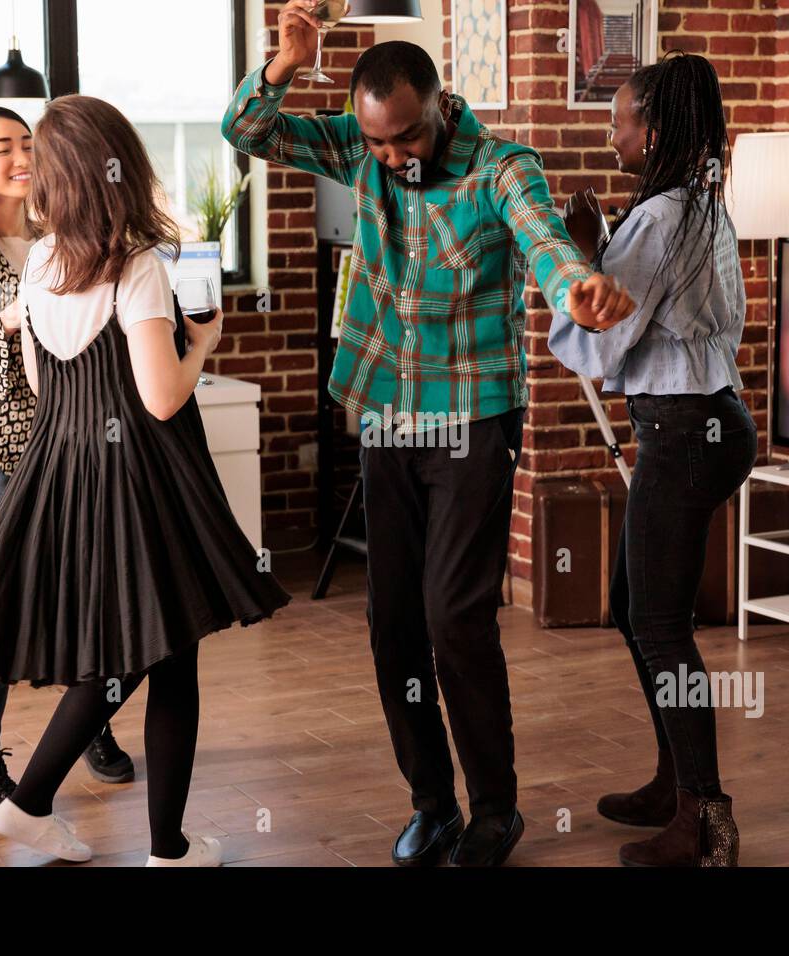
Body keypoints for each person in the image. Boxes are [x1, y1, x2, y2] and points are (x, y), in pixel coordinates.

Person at [223, 3, 634, 867]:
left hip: (473, 419)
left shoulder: (499, 169)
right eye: (378, 143)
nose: (391, 157)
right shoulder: (350, 146)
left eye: (405, 138)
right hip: (386, 414)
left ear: (439, 106)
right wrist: (285, 63)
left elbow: (546, 241)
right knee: (390, 620)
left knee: (455, 617)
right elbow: (246, 129)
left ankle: (495, 810)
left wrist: (578, 289)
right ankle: (432, 803)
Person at [0, 94, 291, 865]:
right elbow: (161, 396)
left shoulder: (41, 268)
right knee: (165, 655)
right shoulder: (135, 267)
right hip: (141, 484)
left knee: (126, 658)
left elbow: (36, 379)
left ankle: (70, 818)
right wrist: (206, 344)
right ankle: (147, 843)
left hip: (65, 478)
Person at [549, 52, 757, 867]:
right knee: (635, 601)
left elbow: (597, 342)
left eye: (621, 119)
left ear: (656, 128)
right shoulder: (701, 208)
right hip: (715, 423)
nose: (612, 132)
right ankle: (677, 784)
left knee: (662, 624)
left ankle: (706, 818)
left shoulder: (661, 218)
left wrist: (576, 265)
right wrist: (605, 250)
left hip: (682, 433)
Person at [0, 106, 133, 823]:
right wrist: (14, 316)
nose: (22, 155)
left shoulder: (54, 238)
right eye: (4, 145)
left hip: (63, 447)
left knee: (83, 592)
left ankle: (89, 730)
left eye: (29, 143)